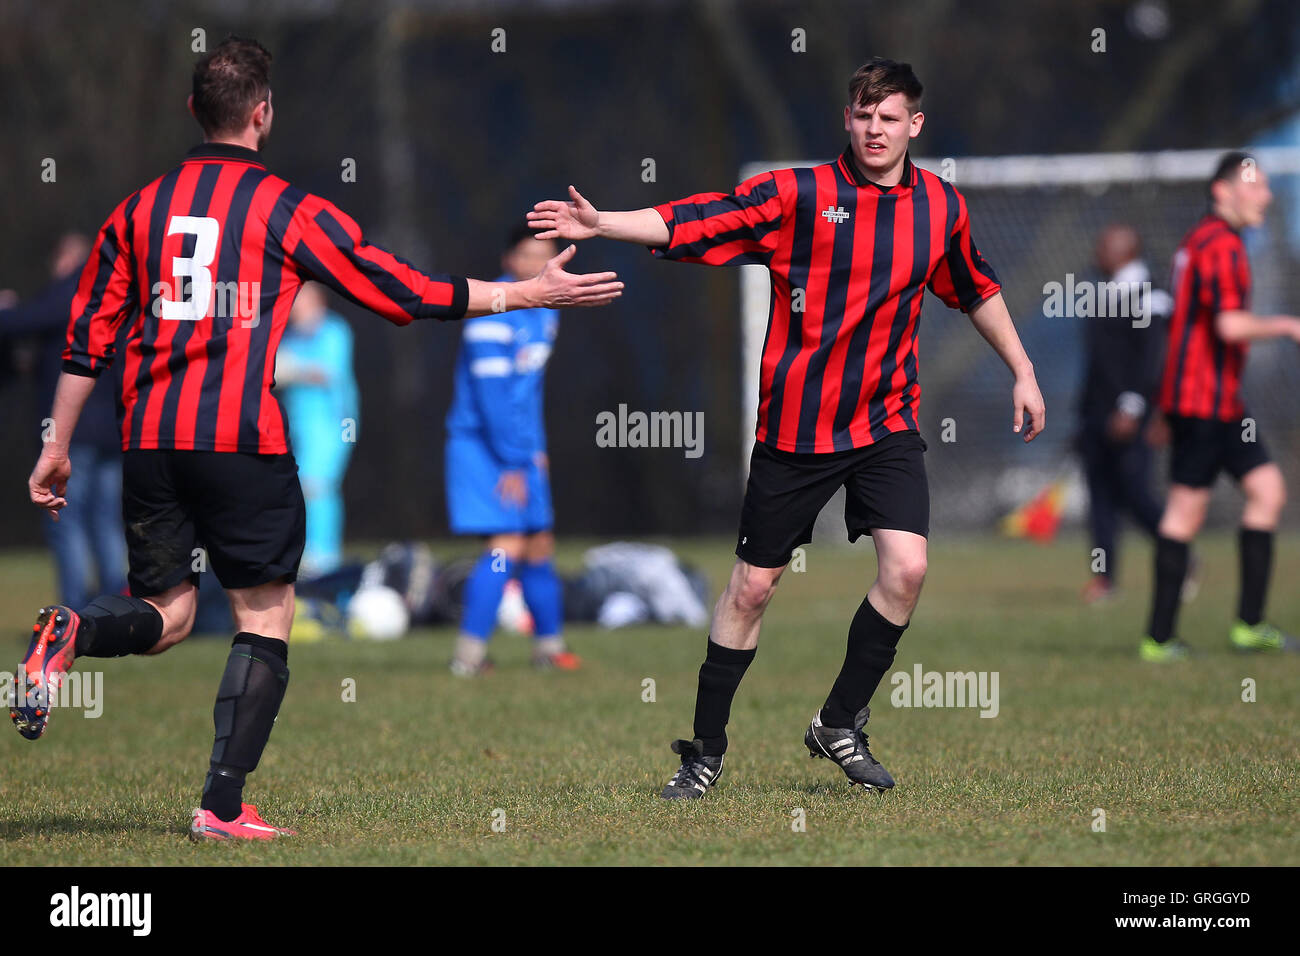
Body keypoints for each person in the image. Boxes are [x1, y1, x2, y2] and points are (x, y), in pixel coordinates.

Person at [18, 35, 622, 841]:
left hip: (152, 441)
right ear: (263, 114)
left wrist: (55, 442)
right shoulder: (287, 209)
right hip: (240, 439)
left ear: (192, 111)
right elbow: (402, 290)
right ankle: (222, 806)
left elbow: (87, 333)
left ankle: (75, 630)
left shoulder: (138, 209)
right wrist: (524, 292)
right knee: (264, 616)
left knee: (165, 613)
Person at [530, 57, 1045, 798]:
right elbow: (696, 218)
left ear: (915, 125)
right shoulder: (797, 194)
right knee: (752, 590)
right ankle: (704, 751)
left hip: (885, 422)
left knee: (908, 570)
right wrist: (605, 221)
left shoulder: (941, 207)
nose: (875, 129)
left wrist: (1023, 371)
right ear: (848, 118)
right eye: (864, 115)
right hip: (798, 432)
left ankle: (839, 722)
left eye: (890, 117)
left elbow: (976, 288)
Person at [1140, 152, 1300, 661]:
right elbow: (1229, 326)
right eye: (1256, 186)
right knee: (1185, 513)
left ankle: (1249, 625)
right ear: (1222, 191)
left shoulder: (1200, 242)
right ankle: (1159, 638)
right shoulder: (1221, 245)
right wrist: (1289, 326)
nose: (1267, 196)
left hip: (1219, 402)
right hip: (1201, 404)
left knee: (1268, 492)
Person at [444, 223, 578, 675]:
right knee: (506, 545)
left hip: (520, 446)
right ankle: (468, 657)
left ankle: (549, 649)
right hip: (484, 445)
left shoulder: (547, 310)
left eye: (548, 255)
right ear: (509, 261)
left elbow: (526, 391)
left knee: (539, 542)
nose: (540, 264)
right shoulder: (495, 306)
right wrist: (514, 460)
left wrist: (533, 449)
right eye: (528, 256)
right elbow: (492, 394)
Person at [1, 234, 128, 608]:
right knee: (105, 522)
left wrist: (5, 311)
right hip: (112, 431)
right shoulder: (116, 298)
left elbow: (24, 321)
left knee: (65, 519)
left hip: (75, 433)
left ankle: (73, 610)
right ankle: (113, 608)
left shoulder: (75, 290)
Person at [1076, 224, 1170, 603]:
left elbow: (1152, 358)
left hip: (1133, 414)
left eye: (1104, 246)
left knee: (1135, 493)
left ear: (1126, 250)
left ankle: (1177, 550)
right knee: (1099, 498)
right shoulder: (1102, 293)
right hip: (1096, 414)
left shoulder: (1153, 295)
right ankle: (1105, 579)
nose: (1097, 252)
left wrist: (1132, 406)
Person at [276, 282, 359, 576]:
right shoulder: (289, 337)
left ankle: (325, 557)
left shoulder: (334, 331)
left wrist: (290, 369)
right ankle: (309, 555)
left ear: (317, 301)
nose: (293, 306)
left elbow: (327, 373)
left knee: (317, 487)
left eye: (299, 299)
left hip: (332, 425)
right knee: (301, 490)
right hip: (297, 428)